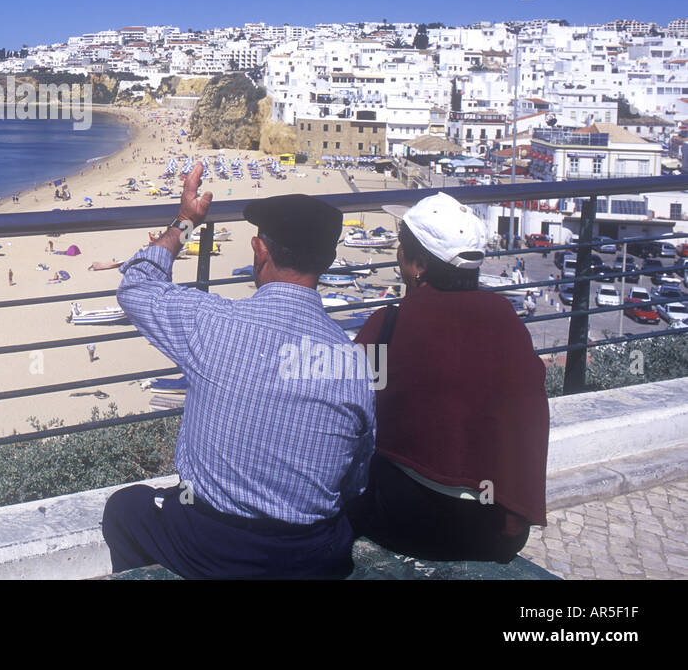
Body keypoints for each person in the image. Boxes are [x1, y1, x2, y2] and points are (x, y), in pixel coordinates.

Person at [102, 165, 374, 579]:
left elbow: (137, 285)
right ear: (328, 260)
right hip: (310, 555)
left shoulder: (211, 323)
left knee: (124, 510)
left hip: (212, 547)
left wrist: (186, 223)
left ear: (259, 251)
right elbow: (354, 481)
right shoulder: (352, 360)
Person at [347, 192, 548, 563]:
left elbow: (347, 408)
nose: (398, 258)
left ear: (419, 264)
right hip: (496, 532)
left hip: (410, 522)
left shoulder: (388, 323)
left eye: (401, 250)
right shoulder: (508, 320)